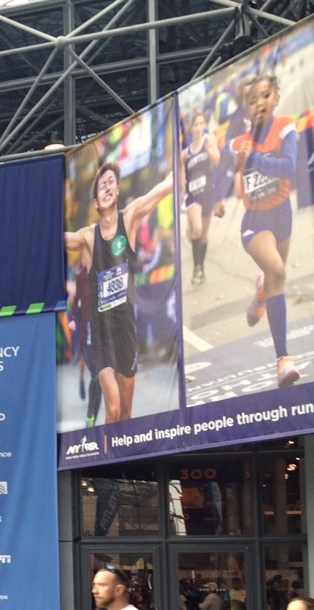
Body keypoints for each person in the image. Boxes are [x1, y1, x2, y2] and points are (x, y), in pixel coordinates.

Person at [64, 162, 174, 423]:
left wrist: (178, 169)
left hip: (126, 332)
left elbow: (161, 190)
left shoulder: (130, 218)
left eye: (111, 182)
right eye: (102, 185)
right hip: (101, 336)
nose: (107, 186)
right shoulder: (88, 237)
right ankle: (104, 450)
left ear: (117, 190)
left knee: (126, 414)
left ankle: (116, 451)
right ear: (96, 203)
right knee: (112, 409)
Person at [213, 75, 300, 388]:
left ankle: (261, 293)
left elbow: (289, 167)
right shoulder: (237, 144)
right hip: (255, 223)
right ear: (246, 110)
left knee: (274, 277)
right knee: (277, 270)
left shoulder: (286, 128)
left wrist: (255, 158)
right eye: (252, 100)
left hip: (283, 217)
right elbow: (220, 170)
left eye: (265, 96)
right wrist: (217, 198)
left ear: (276, 98)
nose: (260, 103)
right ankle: (283, 360)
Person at [182, 109, 220, 284]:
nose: (199, 127)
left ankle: (200, 268)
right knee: (196, 229)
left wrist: (209, 150)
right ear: (192, 128)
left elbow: (217, 160)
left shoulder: (209, 140)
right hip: (193, 197)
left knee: (203, 235)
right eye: (196, 124)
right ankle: (197, 268)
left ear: (204, 125)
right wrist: (181, 195)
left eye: (201, 124)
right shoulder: (185, 154)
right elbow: (182, 178)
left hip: (207, 194)